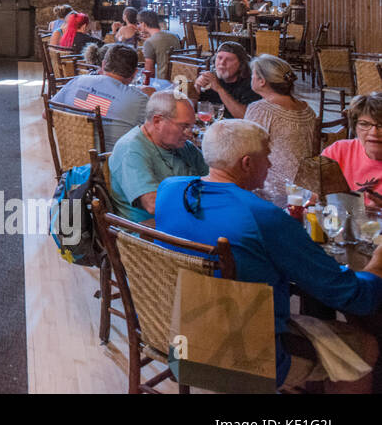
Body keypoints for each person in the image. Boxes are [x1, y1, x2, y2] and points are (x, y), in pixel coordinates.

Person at [155, 120, 382, 392]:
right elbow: (352, 296)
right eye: (267, 155)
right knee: (363, 347)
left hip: (182, 329)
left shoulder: (169, 189)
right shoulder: (264, 218)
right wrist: (377, 263)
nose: (271, 165)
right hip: (245, 351)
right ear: (247, 163)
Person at [107, 90, 206, 224]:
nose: (190, 134)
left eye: (192, 126)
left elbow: (216, 178)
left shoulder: (184, 146)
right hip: (148, 233)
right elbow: (153, 205)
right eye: (184, 126)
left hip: (185, 220)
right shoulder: (131, 149)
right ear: (157, 121)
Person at [244, 54, 318, 199]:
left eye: (252, 75)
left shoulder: (261, 110)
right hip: (306, 190)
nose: (250, 78)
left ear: (262, 81)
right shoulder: (307, 109)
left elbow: (245, 152)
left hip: (273, 191)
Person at [51, 44, 150, 148]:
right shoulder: (139, 100)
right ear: (135, 73)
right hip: (112, 160)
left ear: (103, 65)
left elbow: (47, 114)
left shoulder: (78, 81)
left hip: (72, 155)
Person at [323, 92, 382, 191]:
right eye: (364, 124)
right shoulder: (338, 151)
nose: (374, 132)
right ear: (355, 126)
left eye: (381, 125)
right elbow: (311, 195)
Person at [195, 42, 258, 119]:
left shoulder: (251, 84)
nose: (222, 63)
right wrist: (196, 87)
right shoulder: (211, 79)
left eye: (229, 59)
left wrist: (219, 89)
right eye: (219, 58)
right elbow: (192, 109)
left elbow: (244, 116)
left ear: (241, 65)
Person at [138, 9, 181, 80]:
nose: (138, 26)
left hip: (161, 82)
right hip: (177, 79)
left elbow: (149, 71)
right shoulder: (175, 36)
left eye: (139, 23)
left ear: (143, 24)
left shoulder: (149, 42)